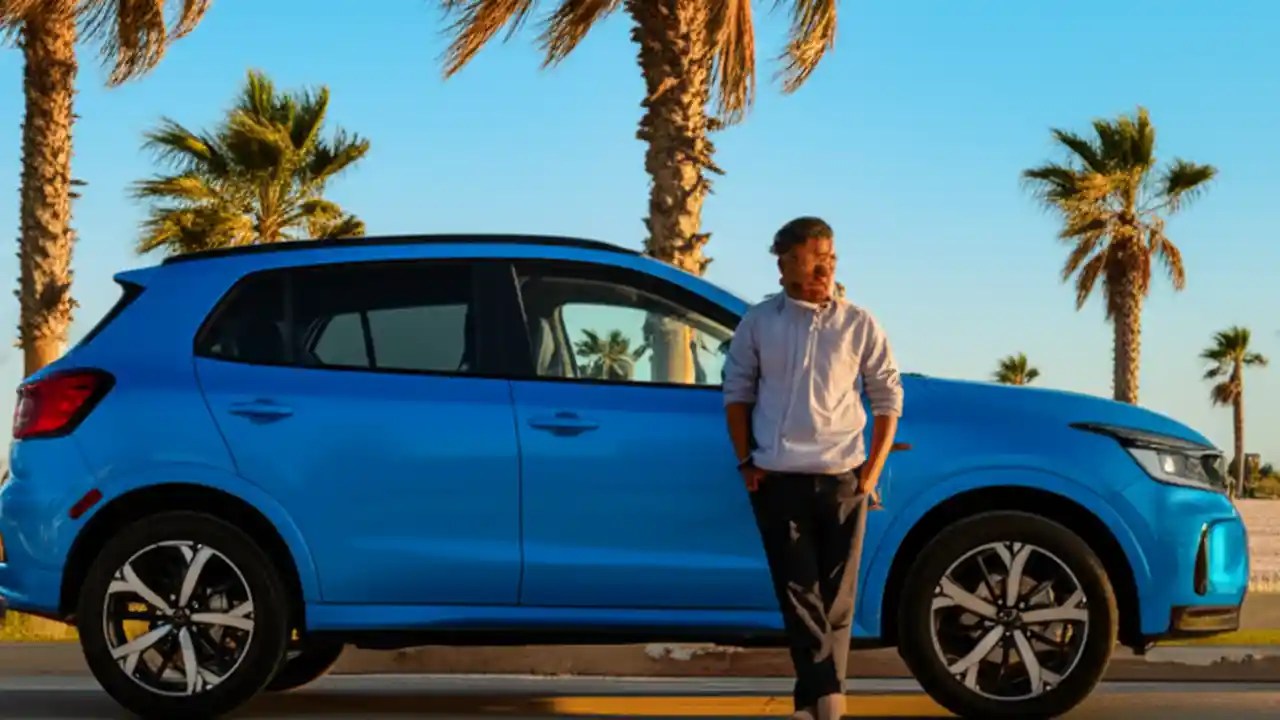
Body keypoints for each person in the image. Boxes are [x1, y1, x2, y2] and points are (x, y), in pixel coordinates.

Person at [721, 217, 904, 720]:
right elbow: (736, 394)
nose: (824, 265)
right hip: (777, 477)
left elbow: (889, 396)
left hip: (845, 479)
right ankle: (829, 695)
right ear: (783, 263)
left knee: (837, 601)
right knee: (800, 594)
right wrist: (745, 461)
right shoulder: (759, 323)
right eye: (812, 256)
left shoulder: (859, 323)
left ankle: (815, 703)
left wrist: (871, 473)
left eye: (831, 256)